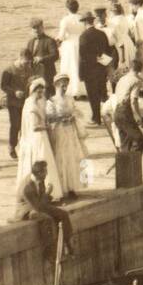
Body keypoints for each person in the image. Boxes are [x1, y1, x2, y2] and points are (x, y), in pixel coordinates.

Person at [14, 160, 73, 261]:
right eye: (45, 172)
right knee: (48, 220)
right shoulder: (27, 187)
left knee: (63, 214)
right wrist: (47, 193)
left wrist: (50, 199)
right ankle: (50, 254)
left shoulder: (39, 180)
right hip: (26, 210)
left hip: (37, 205)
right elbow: (38, 207)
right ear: (39, 173)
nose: (47, 174)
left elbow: (42, 201)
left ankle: (67, 243)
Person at [16, 79, 61, 201]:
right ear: (32, 92)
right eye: (38, 92)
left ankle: (48, 190)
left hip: (42, 135)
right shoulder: (30, 106)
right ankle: (41, 191)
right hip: (37, 137)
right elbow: (34, 127)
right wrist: (46, 126)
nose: (41, 95)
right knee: (41, 157)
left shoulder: (37, 102)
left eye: (42, 92)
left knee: (46, 159)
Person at [46, 73, 87, 201]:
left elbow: (76, 111)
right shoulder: (51, 101)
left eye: (66, 85)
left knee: (72, 157)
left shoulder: (70, 99)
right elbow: (49, 117)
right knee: (61, 157)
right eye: (62, 85)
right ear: (56, 85)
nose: (64, 88)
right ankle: (61, 188)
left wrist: (72, 116)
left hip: (70, 131)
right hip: (59, 131)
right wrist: (62, 118)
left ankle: (71, 187)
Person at [77, 10, 116, 126]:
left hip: (89, 70)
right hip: (101, 68)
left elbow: (83, 56)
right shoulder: (102, 33)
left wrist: (81, 73)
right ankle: (108, 115)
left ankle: (96, 118)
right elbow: (109, 51)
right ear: (93, 21)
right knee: (102, 92)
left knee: (92, 95)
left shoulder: (83, 36)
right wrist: (103, 62)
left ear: (84, 22)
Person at [0, 48, 36, 161]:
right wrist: (14, 92)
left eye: (29, 63)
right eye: (25, 62)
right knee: (15, 125)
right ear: (20, 58)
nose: (27, 65)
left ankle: (24, 147)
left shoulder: (29, 69)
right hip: (13, 103)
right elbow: (3, 86)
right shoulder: (9, 70)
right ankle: (12, 146)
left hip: (26, 102)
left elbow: (31, 82)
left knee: (24, 125)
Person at [56, 0, 85, 98]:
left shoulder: (65, 20)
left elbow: (61, 36)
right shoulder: (82, 18)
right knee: (79, 65)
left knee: (70, 66)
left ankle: (72, 90)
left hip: (69, 44)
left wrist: (57, 42)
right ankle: (81, 90)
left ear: (67, 8)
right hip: (81, 43)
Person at [27, 18, 59, 90]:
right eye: (34, 28)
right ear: (31, 30)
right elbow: (28, 56)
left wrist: (41, 59)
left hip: (47, 73)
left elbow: (55, 56)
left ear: (42, 27)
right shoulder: (30, 42)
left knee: (48, 94)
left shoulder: (49, 40)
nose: (36, 30)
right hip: (34, 73)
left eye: (38, 27)